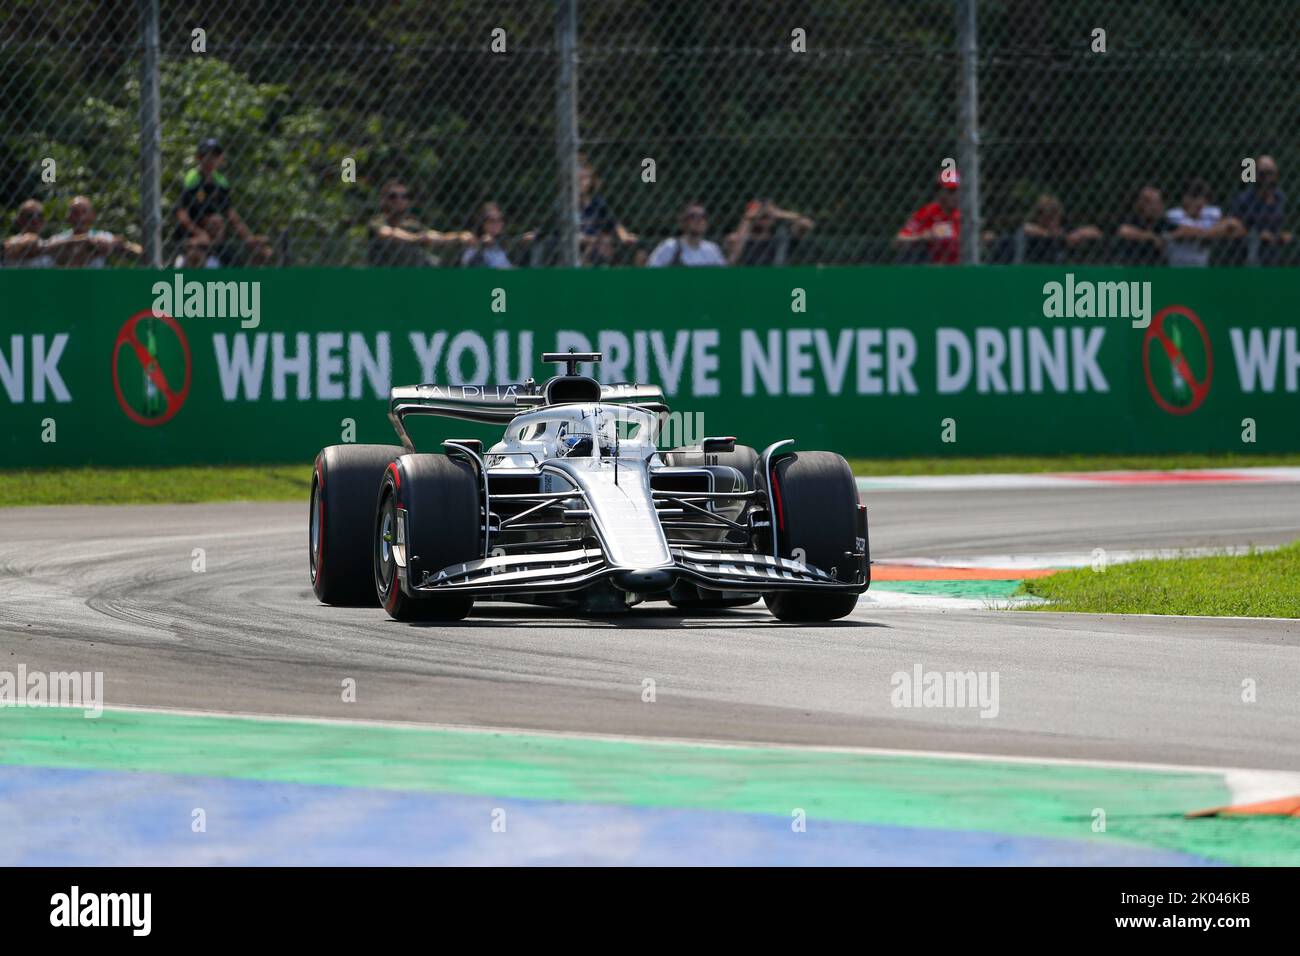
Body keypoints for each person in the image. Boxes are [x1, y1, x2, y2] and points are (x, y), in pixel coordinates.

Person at [174, 138, 268, 263]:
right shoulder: (192, 179)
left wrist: (249, 238)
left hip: (213, 238)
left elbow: (231, 214)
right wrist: (199, 233)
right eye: (207, 154)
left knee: (236, 259)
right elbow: (181, 213)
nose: (212, 158)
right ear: (199, 157)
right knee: (197, 255)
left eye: (216, 154)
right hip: (192, 234)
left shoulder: (220, 182)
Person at [368, 180, 473, 267]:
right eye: (393, 196)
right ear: (384, 200)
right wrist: (415, 238)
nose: (399, 200)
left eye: (404, 196)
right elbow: (387, 232)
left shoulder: (411, 225)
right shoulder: (377, 220)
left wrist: (459, 236)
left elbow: (436, 236)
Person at [1223, 155, 1291, 265]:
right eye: (1262, 174)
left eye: (1270, 173)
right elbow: (1232, 226)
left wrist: (1283, 235)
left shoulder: (1280, 198)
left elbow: (1283, 225)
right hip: (1246, 253)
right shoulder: (1244, 199)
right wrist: (1256, 235)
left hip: (1274, 254)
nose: (1267, 178)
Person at [46, 196, 142, 268]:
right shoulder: (60, 238)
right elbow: (48, 247)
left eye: (84, 212)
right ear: (69, 217)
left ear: (92, 216)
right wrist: (85, 241)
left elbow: (132, 248)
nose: (80, 217)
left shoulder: (103, 236)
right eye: (75, 213)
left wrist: (116, 243)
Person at [894, 171, 962, 264]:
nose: (956, 195)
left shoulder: (964, 215)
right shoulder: (927, 212)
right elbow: (899, 240)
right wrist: (921, 237)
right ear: (939, 192)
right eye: (951, 191)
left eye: (959, 191)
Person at [579, 158, 637, 264]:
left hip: (597, 246)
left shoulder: (597, 202)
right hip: (578, 245)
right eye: (579, 179)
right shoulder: (565, 204)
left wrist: (624, 235)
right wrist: (592, 240)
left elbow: (613, 222)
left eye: (585, 178)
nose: (582, 182)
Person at [1164, 179, 1233, 267]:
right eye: (1192, 196)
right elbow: (1184, 232)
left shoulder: (1212, 212)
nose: (1197, 201)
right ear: (1184, 198)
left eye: (1201, 197)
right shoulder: (1173, 214)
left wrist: (1203, 233)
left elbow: (1232, 225)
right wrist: (1213, 232)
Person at [1016, 194, 1102, 263]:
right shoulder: (1033, 231)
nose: (1052, 220)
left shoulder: (1064, 229)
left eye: (1054, 214)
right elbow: (1026, 228)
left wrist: (1078, 234)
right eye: (1048, 216)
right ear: (1039, 217)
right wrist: (1054, 236)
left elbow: (1095, 231)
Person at [726, 199, 814, 265]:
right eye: (762, 215)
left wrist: (779, 213)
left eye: (767, 216)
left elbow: (807, 224)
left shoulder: (781, 238)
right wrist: (748, 218)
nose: (764, 216)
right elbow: (733, 259)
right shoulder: (741, 238)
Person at [646, 201, 727, 267]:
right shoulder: (670, 246)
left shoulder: (712, 250)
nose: (699, 220)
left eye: (703, 217)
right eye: (693, 216)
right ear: (683, 222)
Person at [461, 201, 534, 269]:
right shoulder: (474, 245)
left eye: (500, 219)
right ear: (483, 223)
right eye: (492, 220)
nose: (497, 223)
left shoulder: (503, 244)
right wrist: (481, 246)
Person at [1114, 185, 1174, 265]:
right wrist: (1152, 237)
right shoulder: (1132, 218)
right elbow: (1123, 230)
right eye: (1148, 202)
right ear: (1139, 203)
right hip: (1131, 264)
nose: (1154, 207)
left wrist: (1166, 237)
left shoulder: (1163, 221)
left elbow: (1180, 230)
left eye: (1157, 202)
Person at [3, 199, 54, 268]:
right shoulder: (14, 241)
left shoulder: (45, 242)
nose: (36, 219)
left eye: (40, 215)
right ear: (20, 220)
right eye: (30, 216)